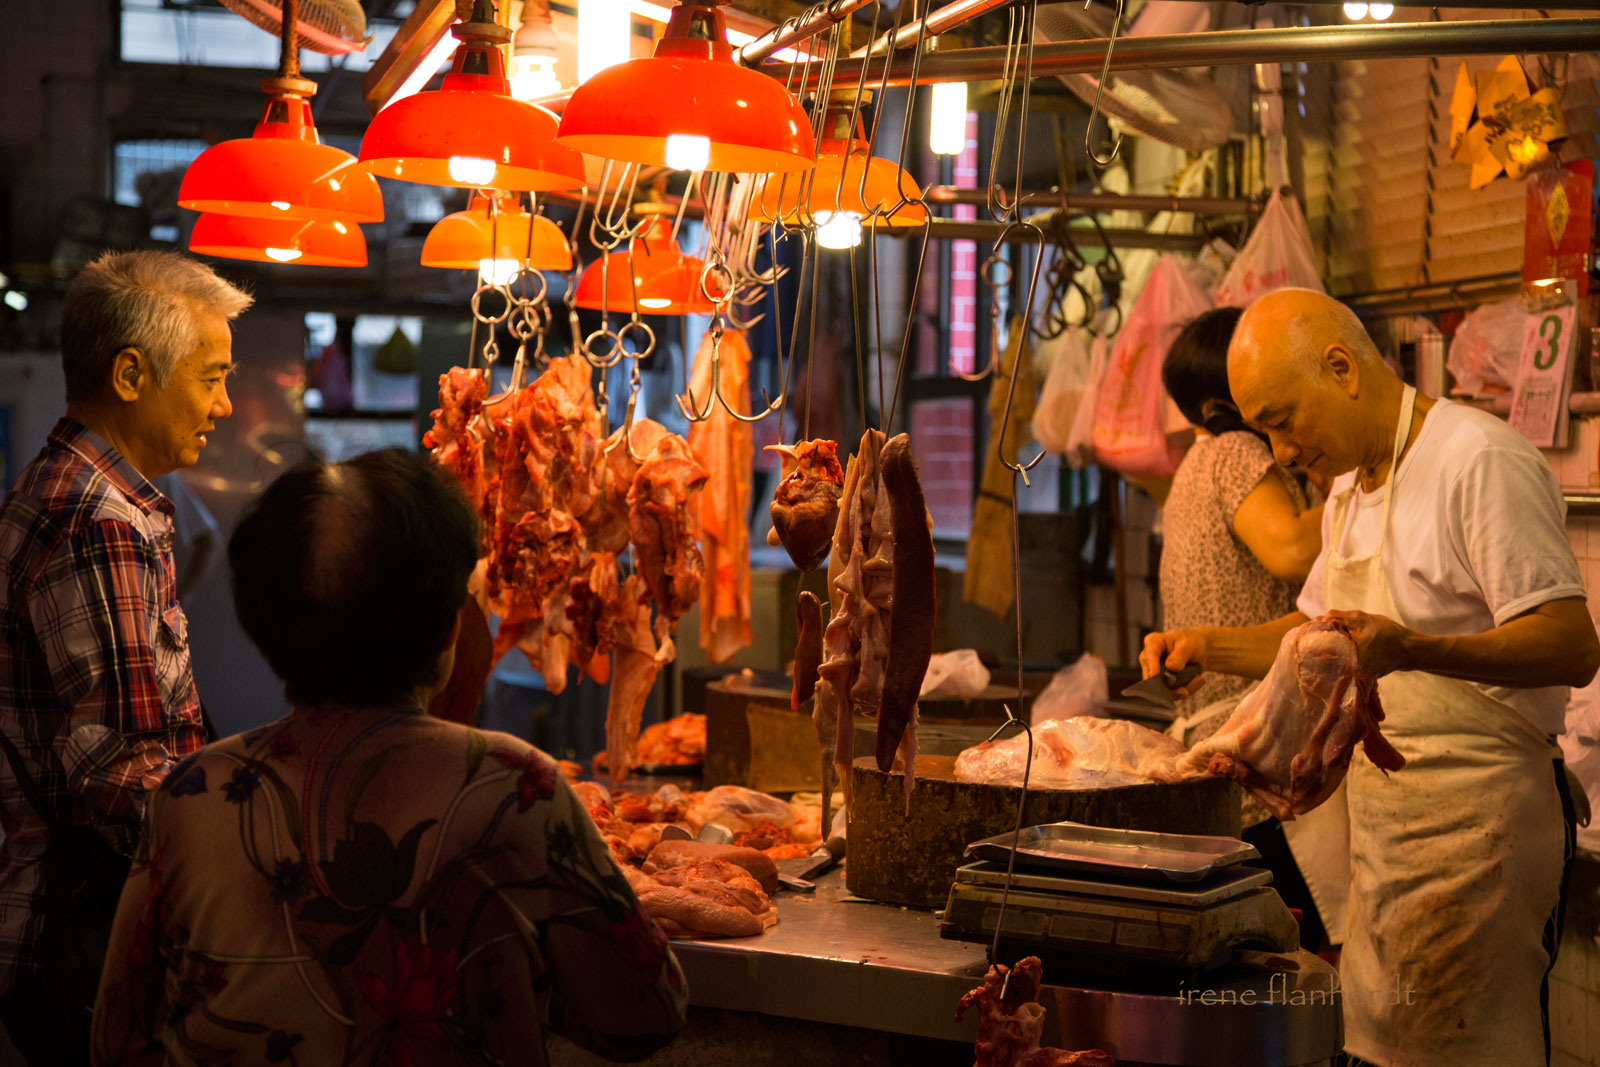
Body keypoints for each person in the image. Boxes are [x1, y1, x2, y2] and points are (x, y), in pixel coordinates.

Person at [91, 449, 688, 1066]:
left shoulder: (192, 795)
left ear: (262, 622)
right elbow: (645, 1014)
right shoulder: (516, 790)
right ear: (451, 627)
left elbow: (117, 1039)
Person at [1141, 288, 1599, 1067]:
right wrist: (1205, 645)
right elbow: (1317, 632)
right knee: (1380, 1048)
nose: (1282, 453)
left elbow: (1570, 643)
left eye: (1283, 421)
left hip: (1482, 833)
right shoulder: (1350, 491)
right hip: (1388, 841)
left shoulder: (1476, 459)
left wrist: (1412, 647)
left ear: (1342, 368)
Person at [0, 250, 249, 1063]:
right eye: (212, 378)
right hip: (80, 939)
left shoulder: (66, 486)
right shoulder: (98, 518)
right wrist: (259, 842)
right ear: (132, 374)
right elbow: (117, 770)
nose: (224, 404)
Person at [1158, 306, 1327, 950]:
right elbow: (1291, 549)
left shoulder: (1197, 461)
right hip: (1255, 752)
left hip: (1233, 750)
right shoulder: (1231, 452)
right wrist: (1371, 489)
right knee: (1298, 958)